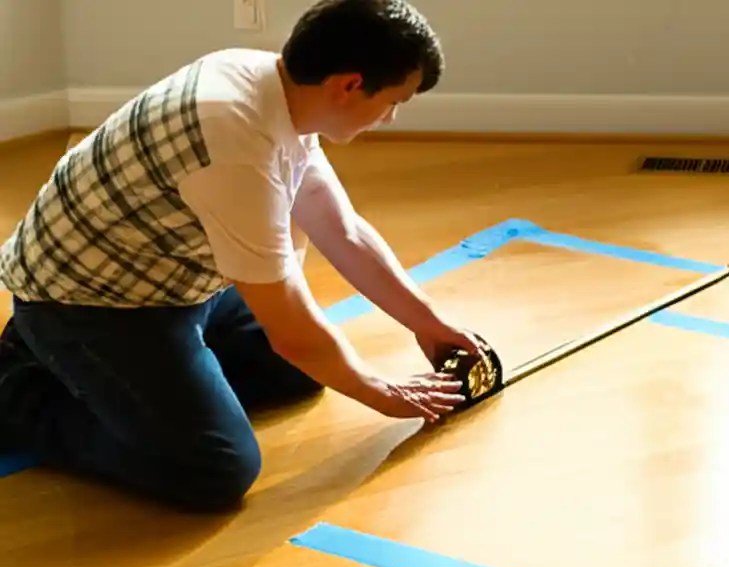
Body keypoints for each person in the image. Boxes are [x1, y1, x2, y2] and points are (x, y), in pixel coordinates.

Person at [0, 0, 483, 512]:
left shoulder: (276, 91)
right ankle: (19, 398)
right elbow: (294, 334)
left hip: (174, 282)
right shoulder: (233, 140)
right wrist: (385, 394)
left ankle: (89, 370)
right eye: (394, 101)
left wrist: (428, 323)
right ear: (348, 84)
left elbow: (341, 230)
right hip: (91, 305)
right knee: (215, 467)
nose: (389, 118)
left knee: (301, 372)